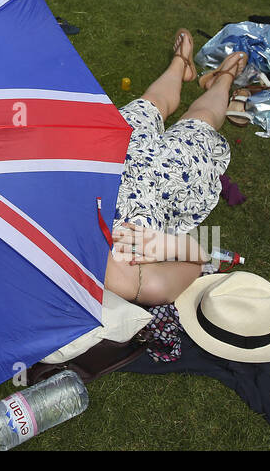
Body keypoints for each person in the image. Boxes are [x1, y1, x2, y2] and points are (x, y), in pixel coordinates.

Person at [105, 37, 249, 306]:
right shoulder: (127, 282)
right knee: (200, 121)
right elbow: (197, 259)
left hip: (113, 155)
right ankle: (224, 79)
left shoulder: (30, 219)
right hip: (169, 177)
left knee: (150, 104)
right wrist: (161, 245)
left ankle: (180, 64)